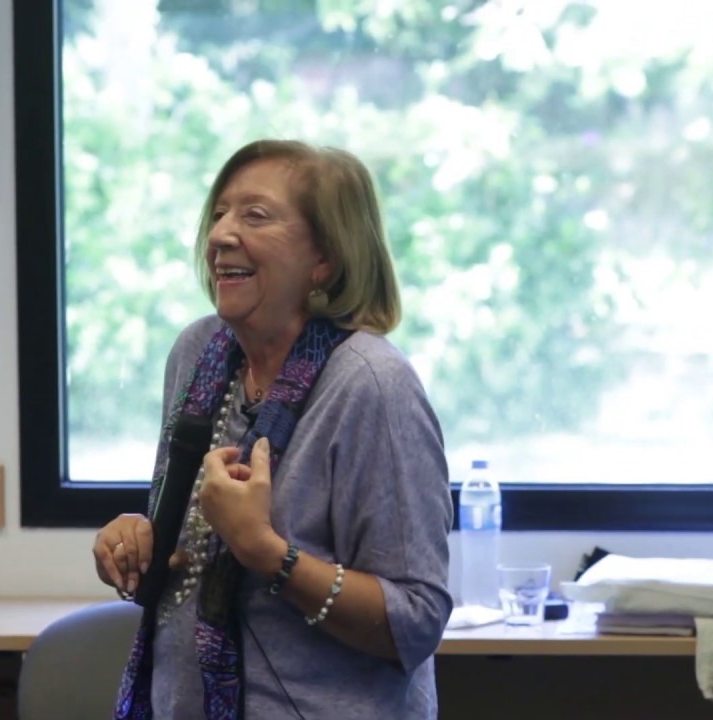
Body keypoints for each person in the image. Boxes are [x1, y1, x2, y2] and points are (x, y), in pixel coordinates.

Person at [91, 139, 454, 719]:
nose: (220, 236)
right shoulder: (200, 354)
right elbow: (192, 557)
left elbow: (413, 622)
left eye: (255, 216)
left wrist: (265, 551)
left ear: (325, 260)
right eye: (219, 214)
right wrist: (138, 542)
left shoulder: (373, 385)